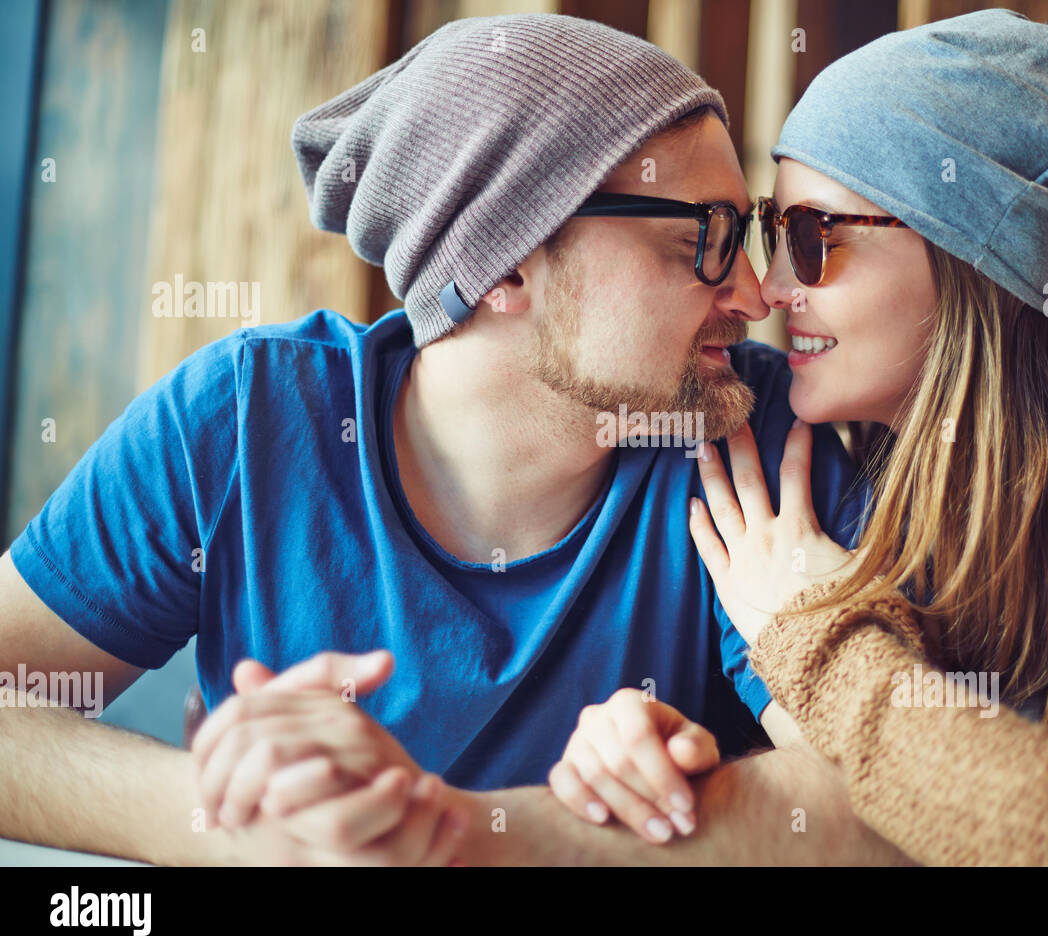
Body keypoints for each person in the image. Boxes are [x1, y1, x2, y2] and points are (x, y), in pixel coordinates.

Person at [0, 13, 906, 866]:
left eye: (739, 232)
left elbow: (893, 810)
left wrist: (456, 839)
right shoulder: (243, 420)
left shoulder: (758, 439)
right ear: (505, 261)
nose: (752, 293)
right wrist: (245, 825)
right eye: (699, 239)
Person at [549, 9, 1048, 866]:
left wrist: (815, 631)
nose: (768, 290)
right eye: (769, 230)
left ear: (974, 257)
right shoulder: (789, 462)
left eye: (813, 239)